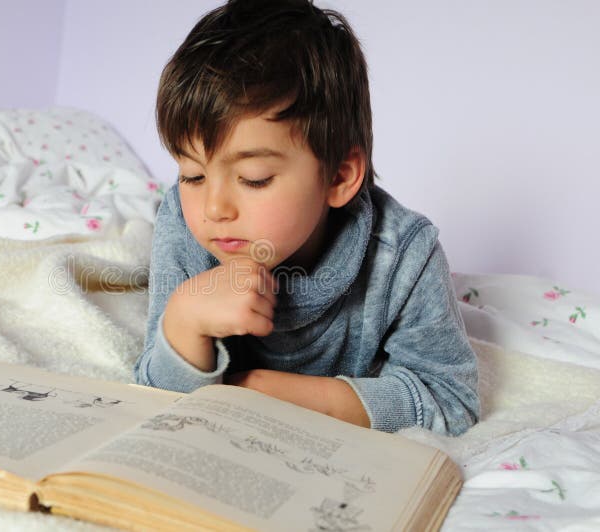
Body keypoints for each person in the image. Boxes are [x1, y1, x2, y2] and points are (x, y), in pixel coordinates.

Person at [134, 0, 479, 435]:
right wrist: (183, 324)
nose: (214, 209)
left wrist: (270, 392)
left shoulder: (404, 255)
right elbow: (150, 398)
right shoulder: (184, 226)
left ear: (338, 176)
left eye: (253, 179)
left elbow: (451, 399)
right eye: (192, 175)